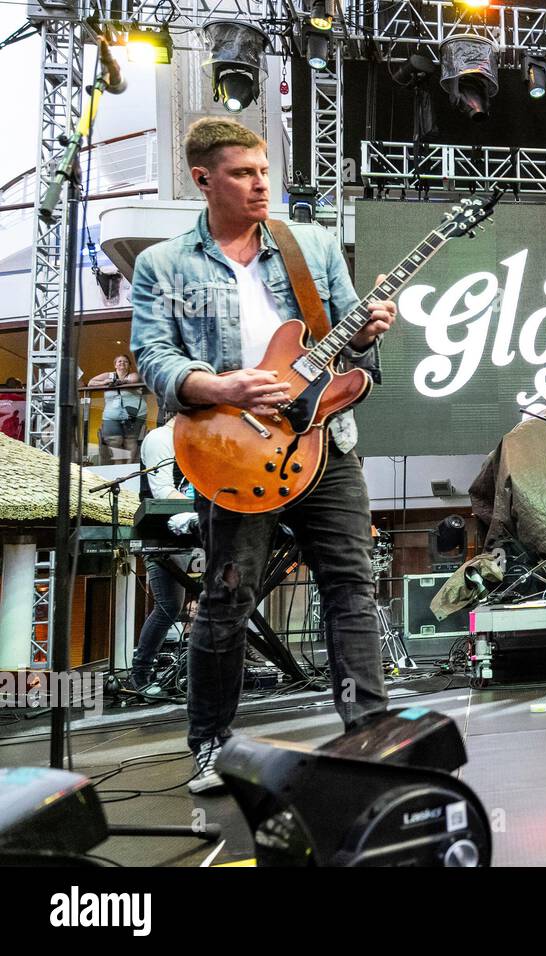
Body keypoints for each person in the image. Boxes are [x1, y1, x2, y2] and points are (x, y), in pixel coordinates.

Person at [131, 118, 396, 794]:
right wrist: (218, 385)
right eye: (243, 173)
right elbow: (154, 357)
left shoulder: (308, 245)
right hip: (232, 452)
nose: (259, 184)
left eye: (263, 171)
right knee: (225, 599)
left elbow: (353, 353)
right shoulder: (164, 265)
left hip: (323, 445)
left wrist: (366, 335)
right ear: (204, 179)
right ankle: (210, 746)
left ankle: (368, 733)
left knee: (350, 587)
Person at [130, 416, 193, 699]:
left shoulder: (190, 441)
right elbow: (163, 492)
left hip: (189, 533)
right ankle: (140, 675)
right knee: (169, 605)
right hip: (165, 534)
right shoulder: (160, 439)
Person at [88, 354, 147, 463]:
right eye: (119, 361)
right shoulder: (108, 375)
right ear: (115, 365)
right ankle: (118, 465)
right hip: (112, 414)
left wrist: (119, 382)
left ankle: (129, 466)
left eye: (125, 362)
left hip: (134, 413)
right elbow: (91, 383)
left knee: (130, 440)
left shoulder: (132, 374)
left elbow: (133, 380)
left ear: (129, 366)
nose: (122, 363)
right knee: (114, 440)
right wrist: (104, 382)